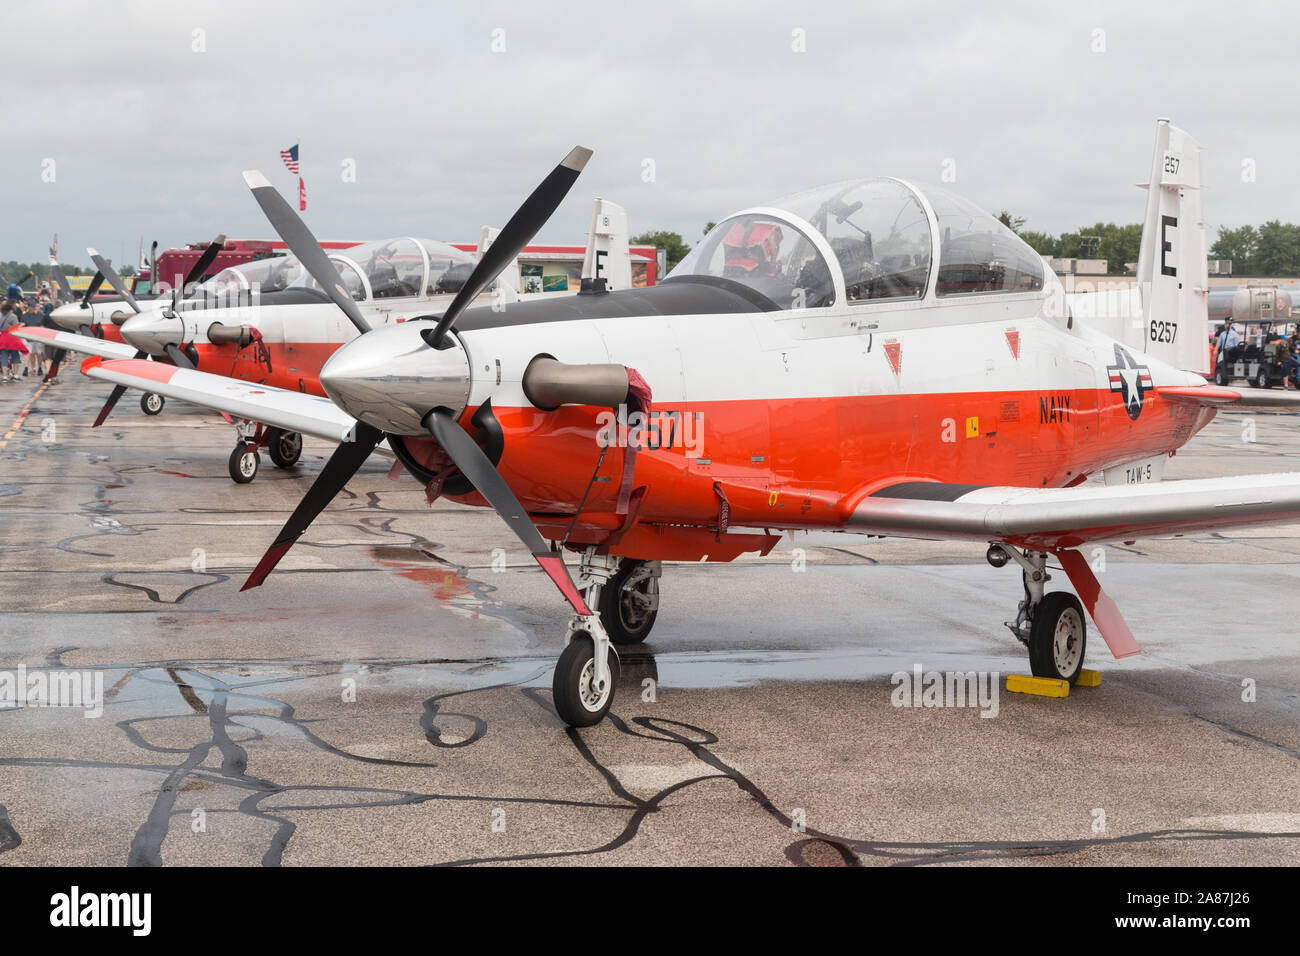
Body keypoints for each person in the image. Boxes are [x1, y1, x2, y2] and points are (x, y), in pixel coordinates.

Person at [0, 300, 28, 382]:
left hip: (3, 338)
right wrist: (21, 325)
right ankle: (15, 375)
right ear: (11, 308)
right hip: (12, 338)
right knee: (15, 357)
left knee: (4, 357)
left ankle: (4, 376)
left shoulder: (1, 316)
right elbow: (16, 327)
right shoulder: (13, 316)